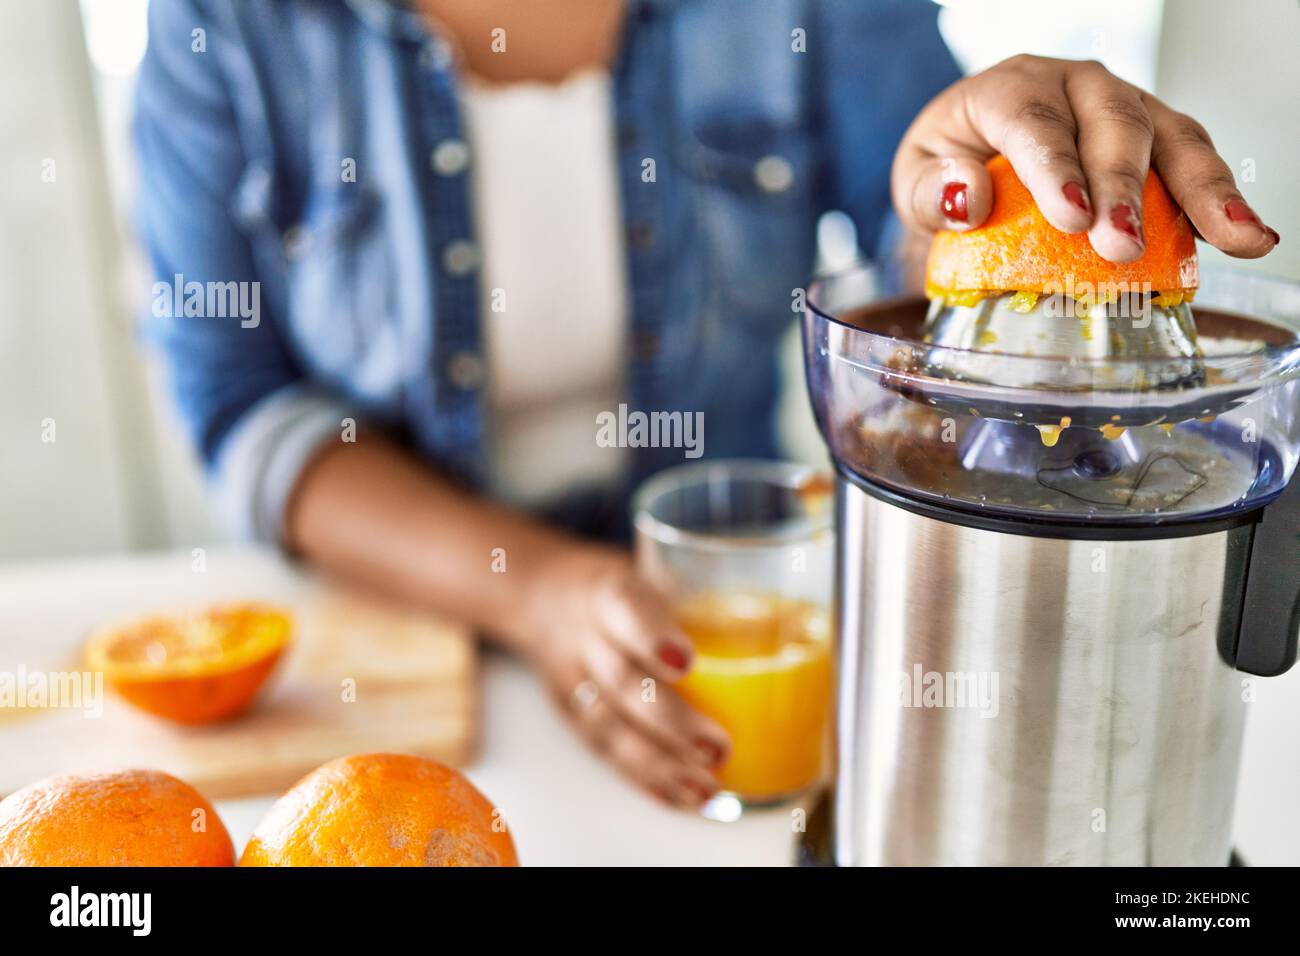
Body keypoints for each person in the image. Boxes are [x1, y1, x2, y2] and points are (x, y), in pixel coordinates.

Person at [133, 0, 1280, 808]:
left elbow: (925, 258)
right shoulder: (225, 26)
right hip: (402, 651)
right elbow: (240, 404)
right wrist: (542, 594)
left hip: (739, 609)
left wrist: (970, 200)